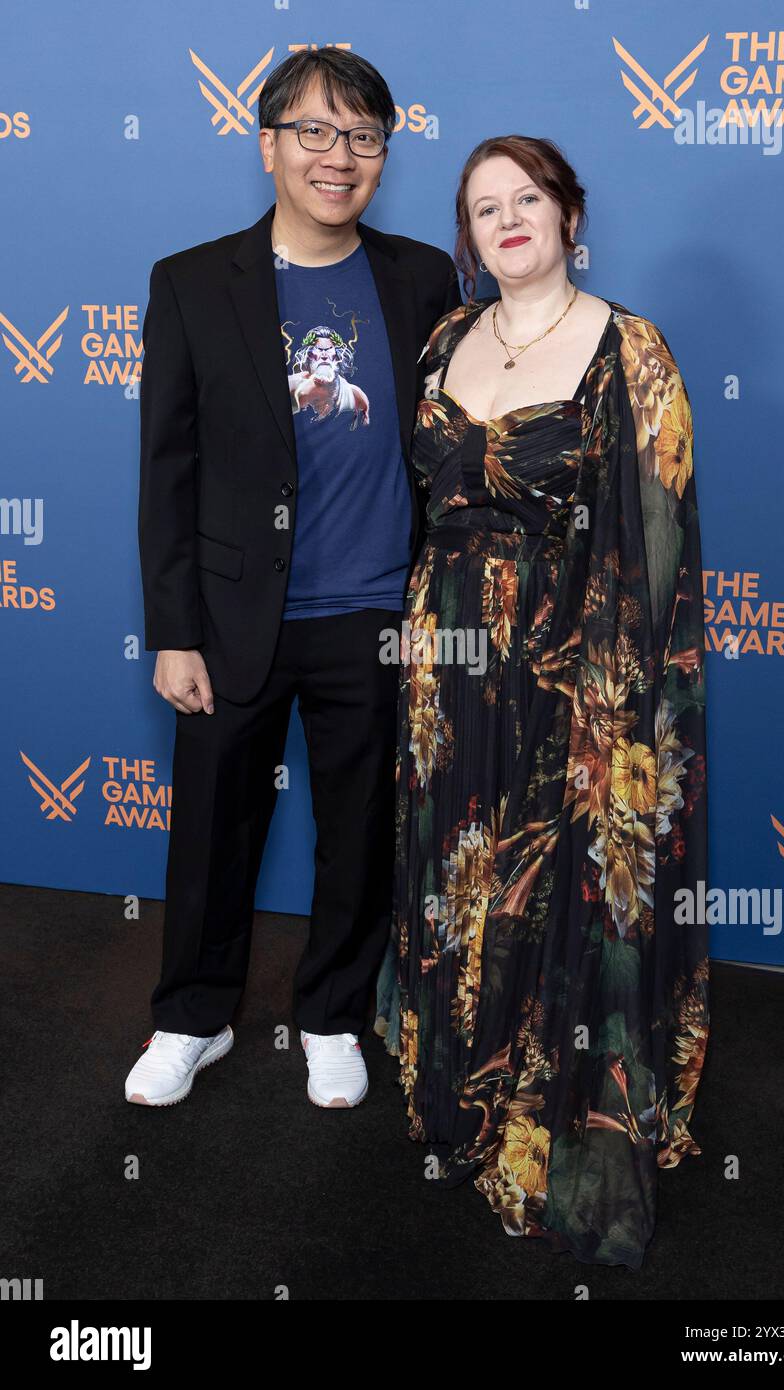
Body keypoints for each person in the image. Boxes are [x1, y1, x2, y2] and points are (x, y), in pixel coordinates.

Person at [375, 135, 709, 1269]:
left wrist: (605, 704)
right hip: (442, 669)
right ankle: (460, 1083)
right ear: (466, 237)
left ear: (570, 215)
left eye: (527, 199)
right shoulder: (440, 341)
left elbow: (658, 554)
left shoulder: (631, 351)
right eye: (482, 208)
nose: (506, 219)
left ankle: (545, 1112)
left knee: (550, 879)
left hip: (572, 675)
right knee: (455, 867)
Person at [126, 49, 460, 1109]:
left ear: (382, 156)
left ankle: (330, 1016)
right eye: (313, 131)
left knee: (360, 830)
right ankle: (191, 1015)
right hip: (231, 617)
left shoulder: (420, 278)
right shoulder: (189, 281)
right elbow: (166, 467)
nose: (338, 156)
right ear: (267, 143)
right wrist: (173, 629)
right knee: (213, 828)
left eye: (362, 136)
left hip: (377, 613)